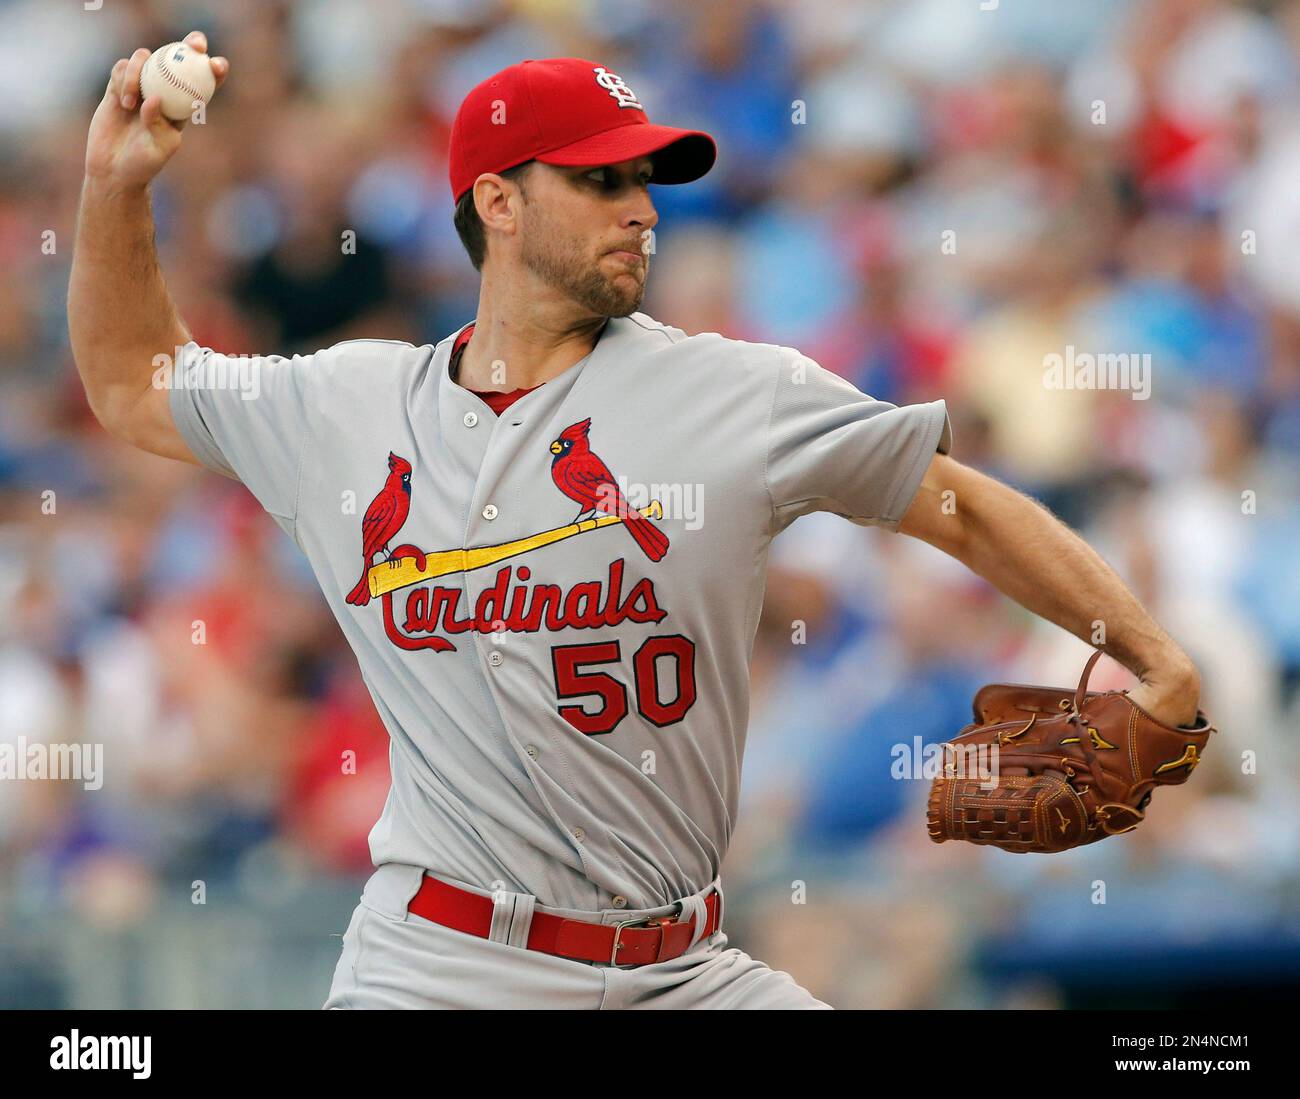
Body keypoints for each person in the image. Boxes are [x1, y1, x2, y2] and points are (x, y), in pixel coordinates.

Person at [69, 32, 1203, 1009]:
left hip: (682, 967)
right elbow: (131, 381)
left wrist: (1148, 655)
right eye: (601, 183)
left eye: (645, 182)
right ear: (497, 202)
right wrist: (116, 186)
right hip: (442, 964)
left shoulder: (740, 393)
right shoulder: (345, 405)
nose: (642, 210)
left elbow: (958, 507)